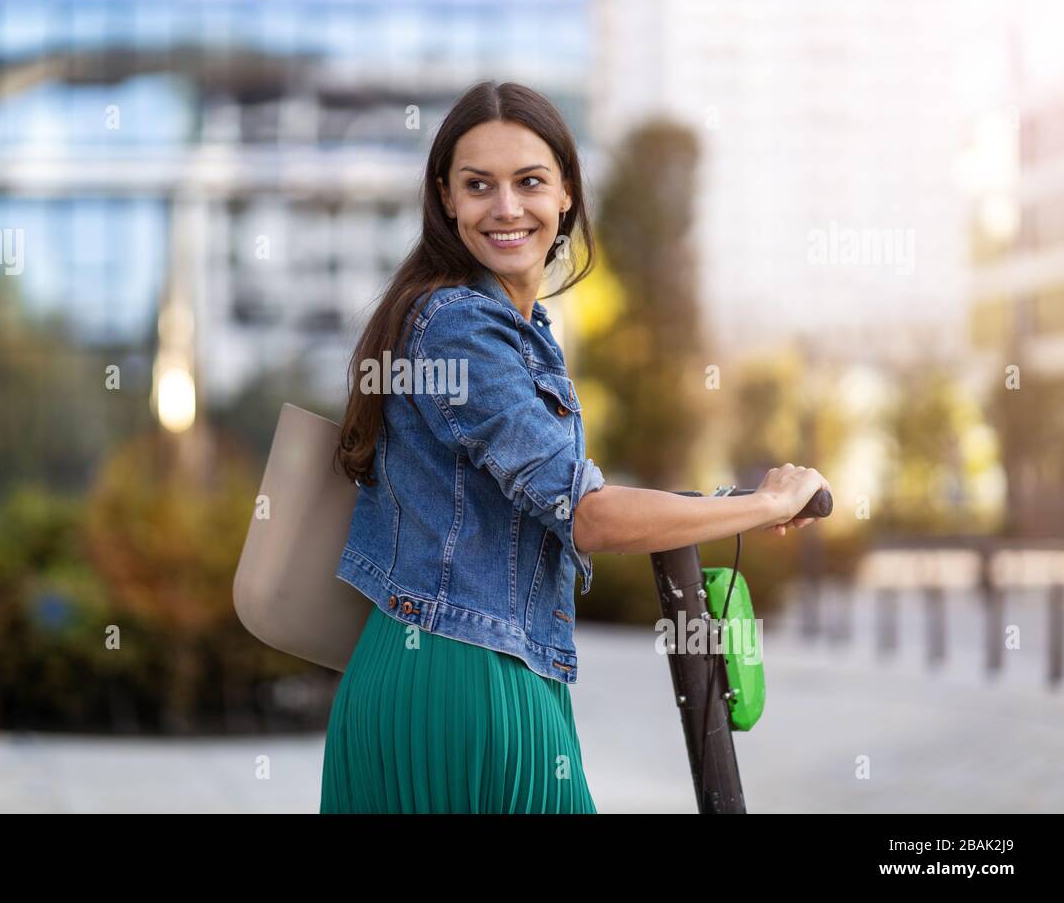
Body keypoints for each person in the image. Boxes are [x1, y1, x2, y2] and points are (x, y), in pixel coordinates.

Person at [320, 80, 829, 813]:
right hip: (468, 684)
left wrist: (729, 506)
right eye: (478, 186)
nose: (506, 207)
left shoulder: (495, 326)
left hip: (452, 668)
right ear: (446, 199)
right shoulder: (462, 328)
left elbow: (550, 492)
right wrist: (764, 503)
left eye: (529, 182)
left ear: (565, 193)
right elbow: (586, 514)